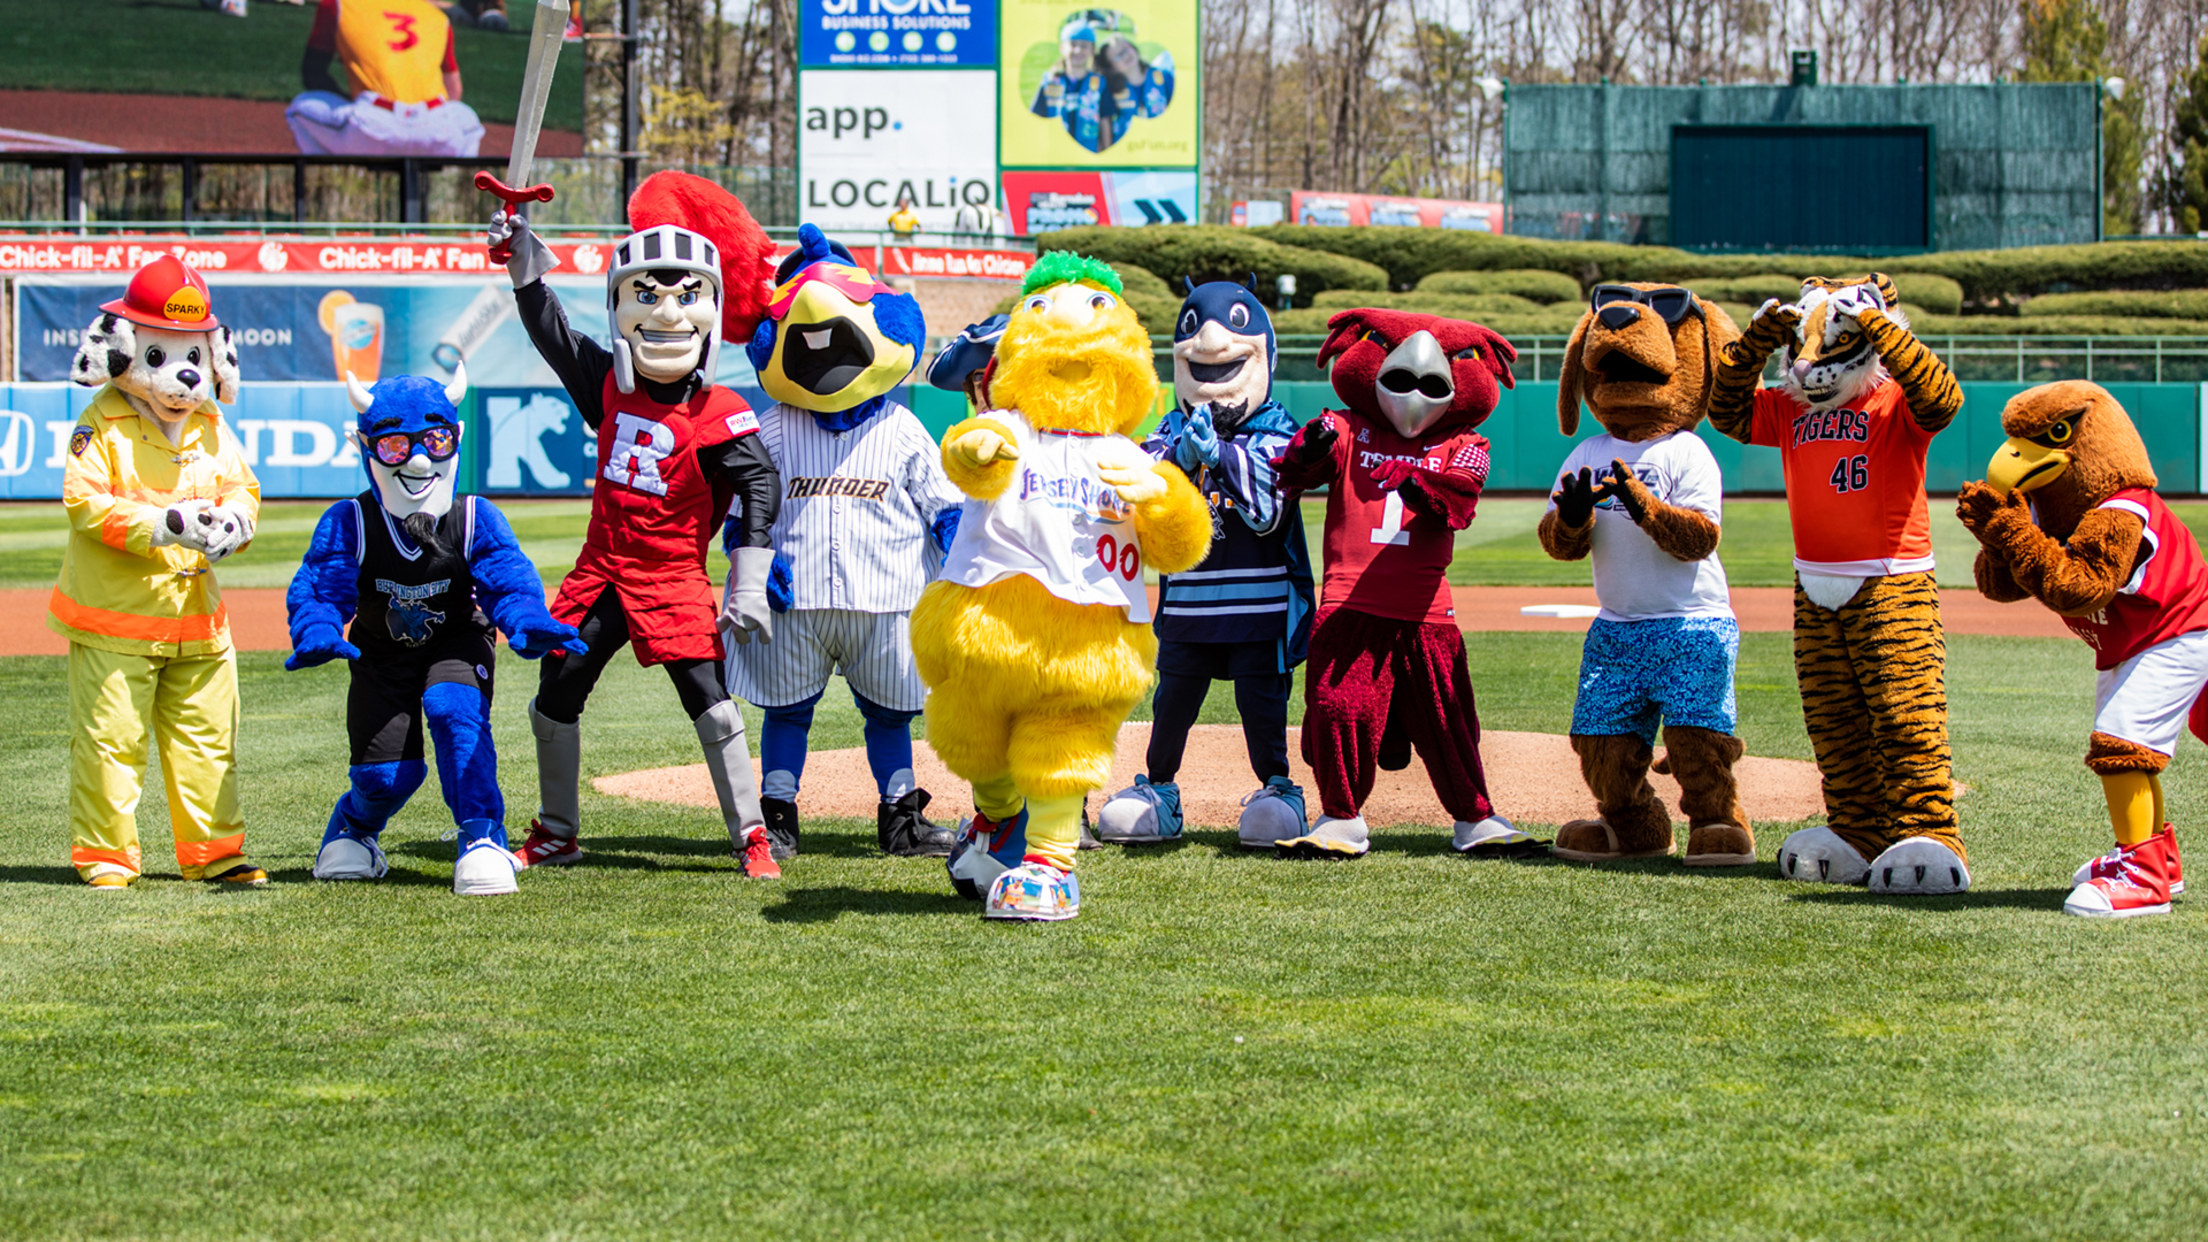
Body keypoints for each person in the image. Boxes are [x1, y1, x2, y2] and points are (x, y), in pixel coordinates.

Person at [487, 171, 787, 878]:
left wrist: (748, 580)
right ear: (621, 302)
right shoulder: (607, 384)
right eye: (647, 296)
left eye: (686, 296)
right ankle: (557, 832)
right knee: (555, 694)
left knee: (711, 705)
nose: (667, 313)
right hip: (602, 572)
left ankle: (752, 835)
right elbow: (553, 333)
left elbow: (760, 483)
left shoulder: (718, 410)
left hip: (672, 577)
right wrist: (523, 261)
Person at [54, 257, 263, 888]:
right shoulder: (101, 422)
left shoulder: (209, 422)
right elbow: (84, 503)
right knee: (110, 744)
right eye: (159, 354)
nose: (184, 373)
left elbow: (242, 487)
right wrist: (165, 526)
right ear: (123, 350)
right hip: (117, 619)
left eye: (194, 353)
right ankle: (107, 858)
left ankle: (215, 855)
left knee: (208, 740)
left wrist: (236, 523)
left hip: (198, 622)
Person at [286, 0, 486, 157]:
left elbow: (312, 73)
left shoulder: (338, 5)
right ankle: (450, 182)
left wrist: (349, 102)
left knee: (299, 108)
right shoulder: (437, 17)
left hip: (372, 130)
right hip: (436, 132)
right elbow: (453, 91)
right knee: (469, 121)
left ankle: (335, 177)